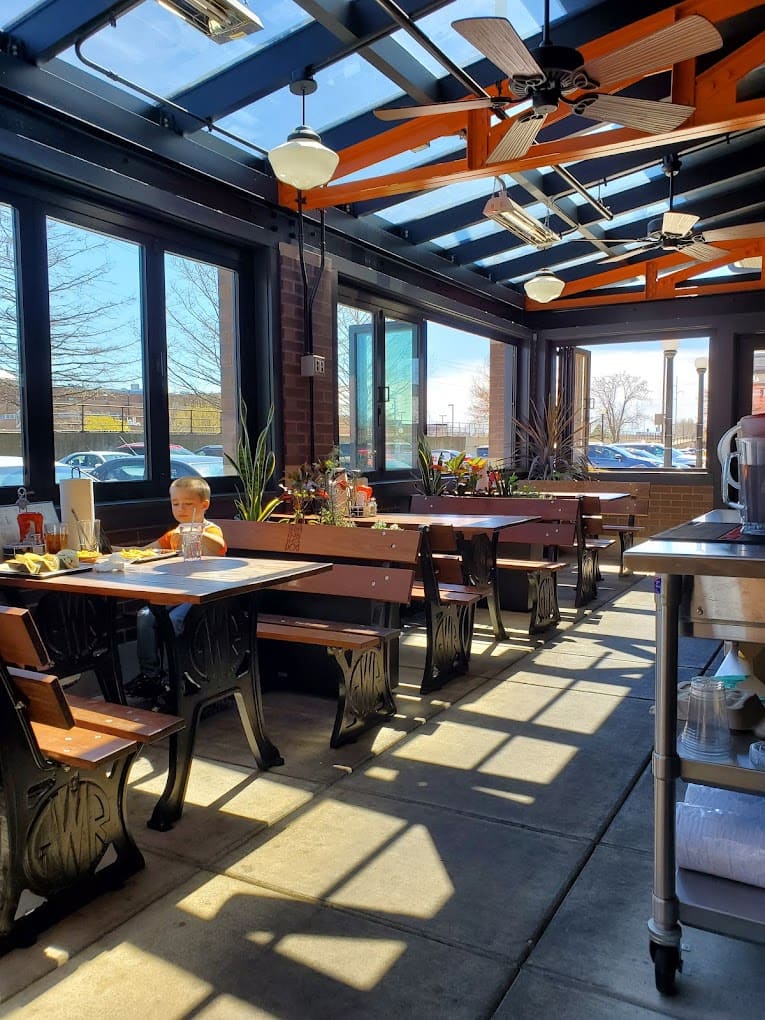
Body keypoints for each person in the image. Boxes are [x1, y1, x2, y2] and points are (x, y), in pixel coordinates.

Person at [126, 476, 227, 701]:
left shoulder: (211, 530)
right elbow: (145, 551)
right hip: (177, 594)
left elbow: (219, 546)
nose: (180, 509)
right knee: (145, 616)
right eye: (175, 503)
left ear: (204, 505)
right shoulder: (174, 534)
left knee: (173, 622)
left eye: (188, 504)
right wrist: (114, 553)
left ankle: (180, 677)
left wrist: (195, 531)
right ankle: (150, 675)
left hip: (204, 597)